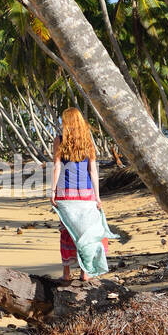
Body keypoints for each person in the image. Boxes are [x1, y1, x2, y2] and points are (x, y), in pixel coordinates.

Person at [49, 107, 116, 282]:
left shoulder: (59, 140)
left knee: (68, 231)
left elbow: (57, 167)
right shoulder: (88, 142)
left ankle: (66, 272)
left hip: (65, 194)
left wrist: (53, 191)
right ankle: (85, 272)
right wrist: (97, 196)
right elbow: (93, 171)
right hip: (86, 194)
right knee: (88, 232)